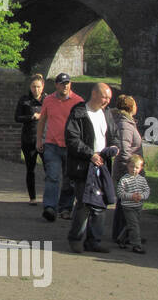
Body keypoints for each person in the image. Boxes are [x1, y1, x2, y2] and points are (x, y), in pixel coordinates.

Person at [64, 81, 116, 252]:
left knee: (101, 205)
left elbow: (113, 135)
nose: (107, 101)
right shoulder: (79, 113)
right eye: (104, 97)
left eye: (109, 98)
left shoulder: (107, 114)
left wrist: (114, 148)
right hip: (83, 165)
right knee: (84, 203)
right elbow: (72, 139)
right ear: (94, 94)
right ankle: (76, 238)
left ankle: (94, 241)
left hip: (102, 165)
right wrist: (90, 154)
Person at [36, 73, 82, 223]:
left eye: (67, 83)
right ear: (56, 85)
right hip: (52, 144)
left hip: (71, 146)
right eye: (62, 83)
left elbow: (83, 125)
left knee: (69, 179)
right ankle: (50, 207)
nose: (65, 86)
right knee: (53, 176)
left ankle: (65, 208)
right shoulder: (49, 100)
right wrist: (39, 140)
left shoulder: (78, 101)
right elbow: (42, 121)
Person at [110, 94, 143, 242]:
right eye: (135, 104)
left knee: (125, 204)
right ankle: (123, 234)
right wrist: (130, 172)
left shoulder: (127, 123)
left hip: (128, 168)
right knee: (127, 205)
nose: (137, 106)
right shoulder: (125, 124)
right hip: (127, 169)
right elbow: (124, 150)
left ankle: (124, 233)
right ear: (130, 107)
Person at [14, 74, 45, 204]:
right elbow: (17, 117)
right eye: (33, 87)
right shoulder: (24, 100)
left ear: (42, 87)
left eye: (38, 87)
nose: (36, 89)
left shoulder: (48, 100)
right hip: (29, 138)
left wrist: (42, 115)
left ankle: (48, 197)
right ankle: (32, 197)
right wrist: (30, 117)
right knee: (30, 169)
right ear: (30, 87)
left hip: (45, 138)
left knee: (49, 169)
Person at [115, 153, 151, 254]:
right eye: (132, 167)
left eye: (137, 167)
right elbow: (120, 192)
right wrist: (131, 196)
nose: (134, 169)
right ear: (128, 166)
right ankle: (137, 245)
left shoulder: (142, 179)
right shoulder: (124, 179)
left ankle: (121, 238)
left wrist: (142, 196)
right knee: (134, 225)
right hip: (128, 207)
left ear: (141, 168)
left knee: (132, 224)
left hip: (138, 206)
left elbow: (147, 191)